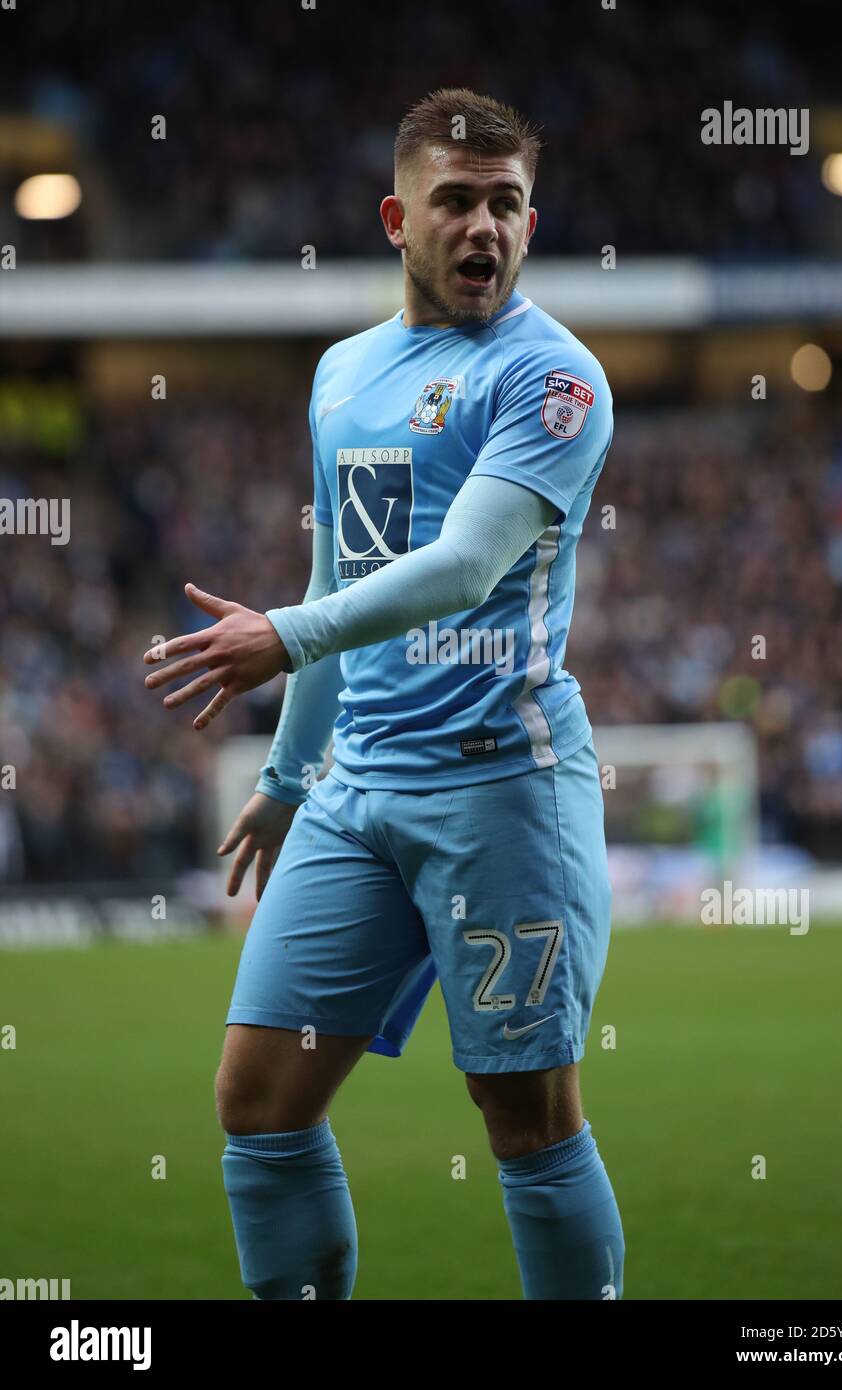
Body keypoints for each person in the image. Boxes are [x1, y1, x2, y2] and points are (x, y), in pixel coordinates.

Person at [144, 88, 624, 1301]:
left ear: (532, 220)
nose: (483, 228)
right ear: (395, 217)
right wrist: (284, 780)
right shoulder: (344, 372)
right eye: (455, 202)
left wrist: (283, 637)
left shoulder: (555, 380)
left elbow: (465, 567)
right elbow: (333, 576)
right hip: (359, 792)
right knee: (257, 1099)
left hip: (503, 791)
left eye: (506, 204)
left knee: (527, 1114)